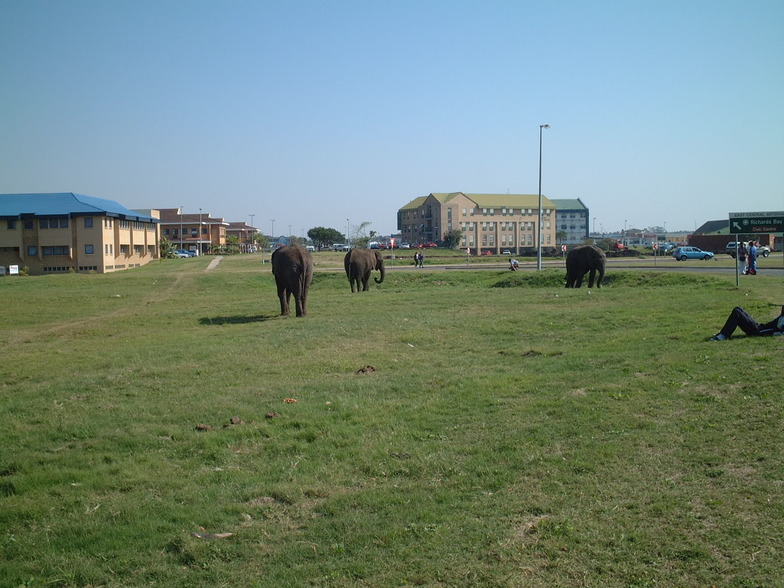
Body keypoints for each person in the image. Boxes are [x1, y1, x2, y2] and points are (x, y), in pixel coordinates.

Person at [709, 305, 784, 340]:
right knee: (738, 308)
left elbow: (779, 331)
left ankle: (723, 336)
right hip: (759, 326)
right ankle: (723, 333)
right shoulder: (781, 317)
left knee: (737, 313)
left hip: (757, 331)